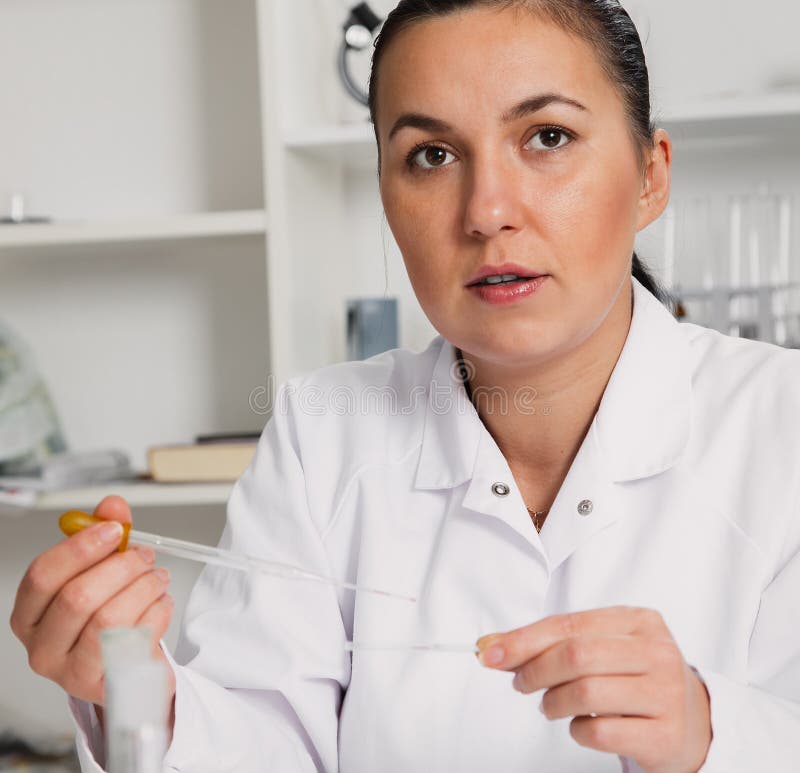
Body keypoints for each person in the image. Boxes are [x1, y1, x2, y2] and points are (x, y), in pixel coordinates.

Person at [10, 0, 800, 770]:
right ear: (387, 193)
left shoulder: (781, 424)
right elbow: (265, 743)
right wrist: (132, 689)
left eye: (548, 136)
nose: (488, 211)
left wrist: (708, 733)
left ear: (651, 177)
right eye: (432, 154)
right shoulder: (324, 431)